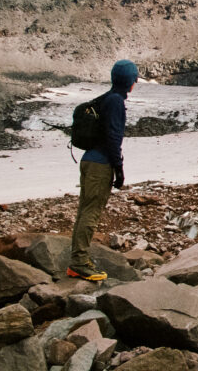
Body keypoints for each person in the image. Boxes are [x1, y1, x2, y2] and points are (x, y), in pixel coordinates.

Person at [68, 59, 138, 281]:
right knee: (91, 213)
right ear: (130, 81)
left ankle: (78, 260)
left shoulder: (105, 98)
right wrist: (119, 169)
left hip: (88, 160)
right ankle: (80, 263)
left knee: (84, 210)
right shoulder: (116, 102)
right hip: (101, 164)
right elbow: (113, 137)